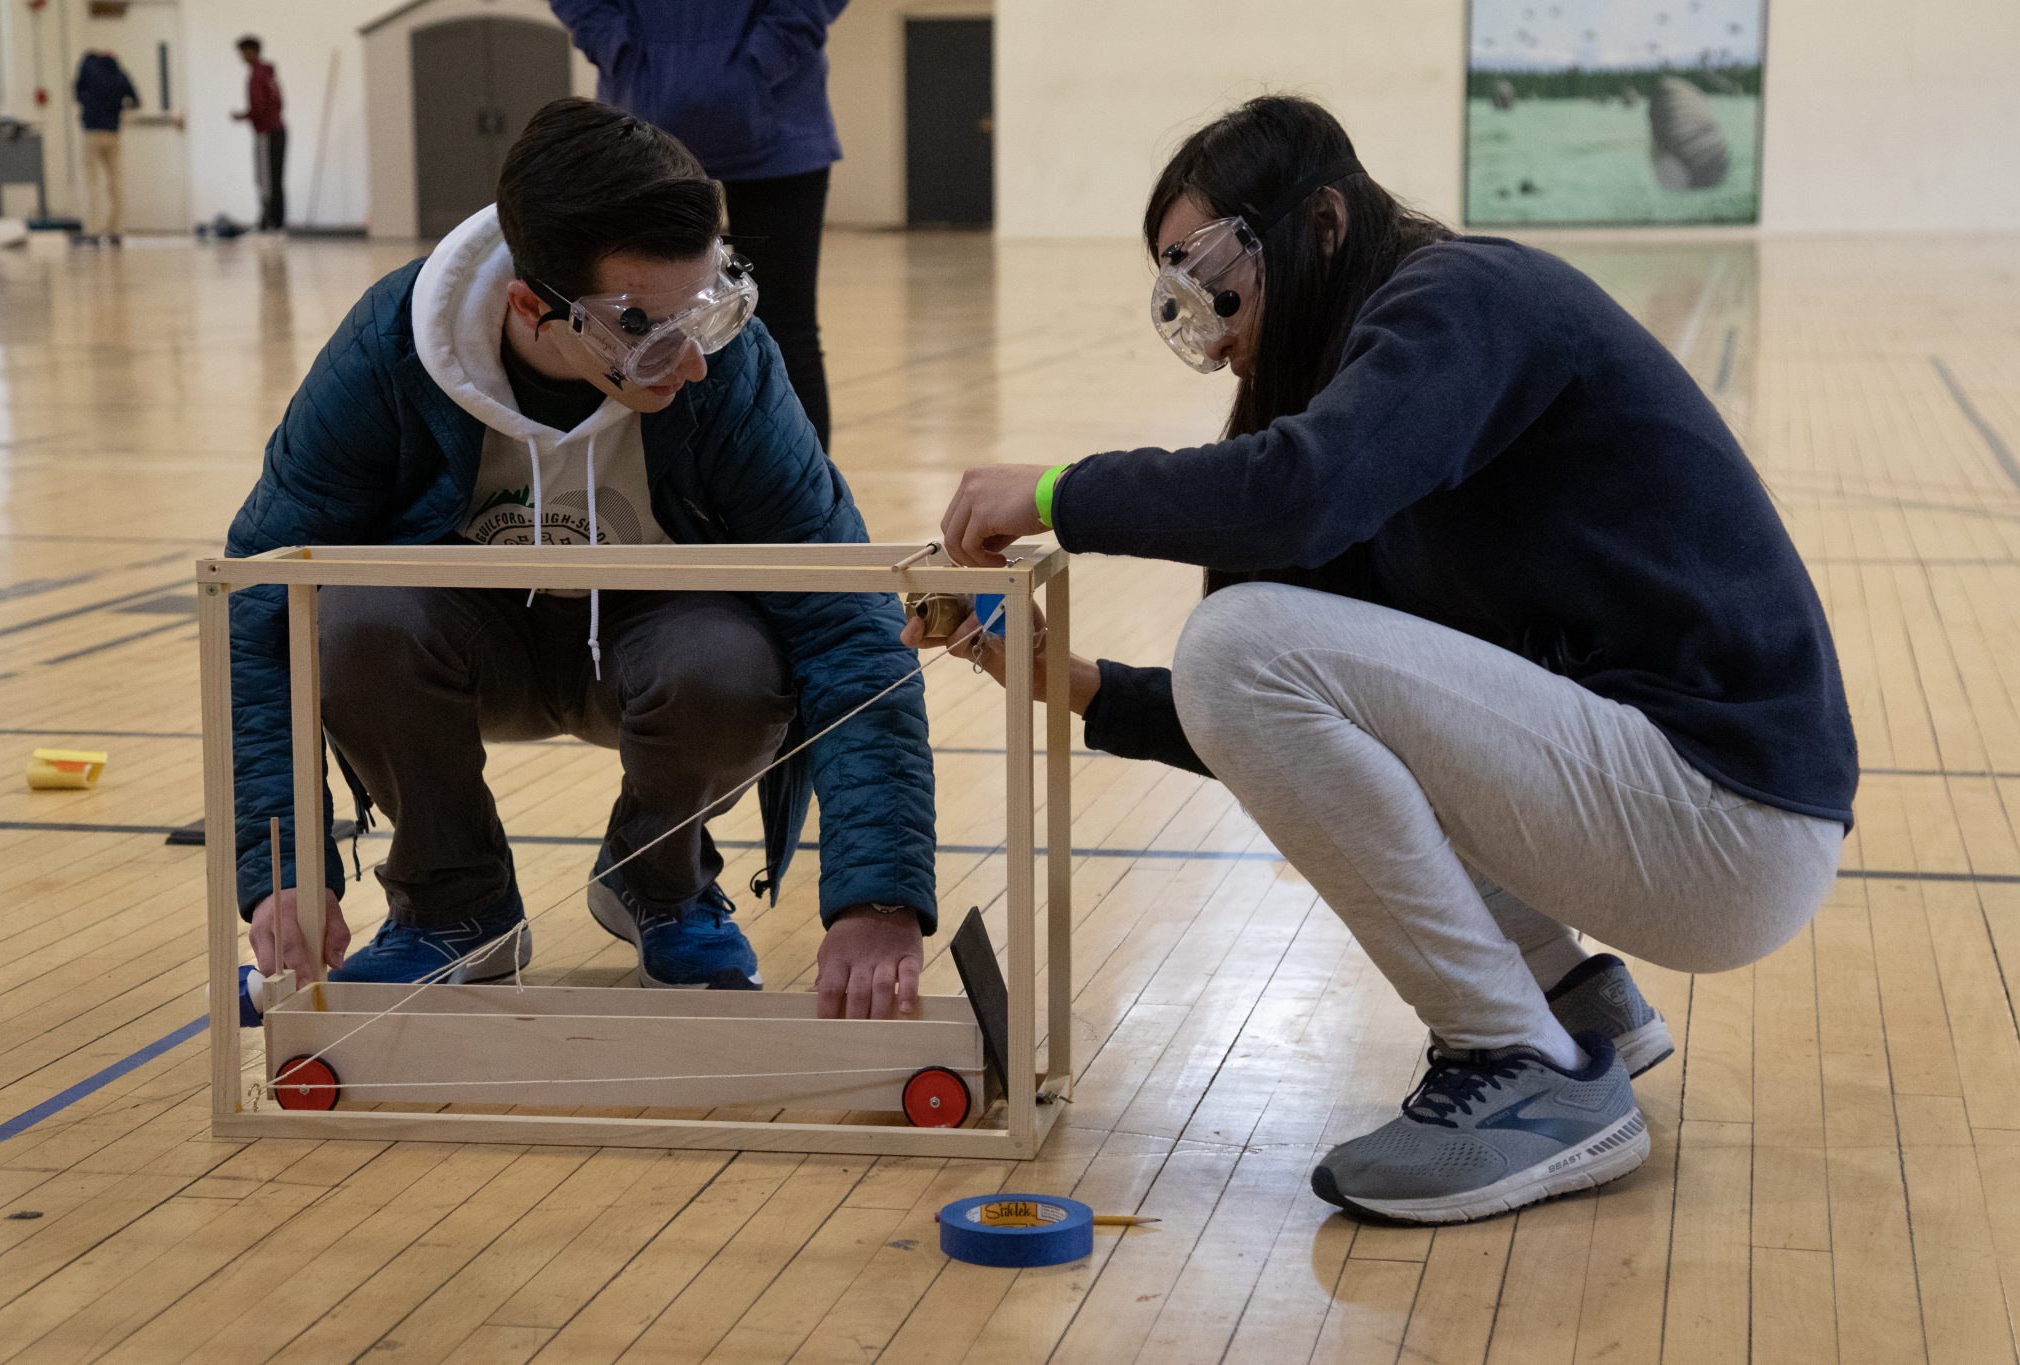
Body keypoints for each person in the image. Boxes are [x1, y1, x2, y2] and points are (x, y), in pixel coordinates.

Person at [917, 95, 1856, 1223]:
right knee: (1248, 649)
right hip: (1677, 812)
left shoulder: (1463, 301)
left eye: (1217, 279)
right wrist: (1053, 678)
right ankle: (1566, 1001)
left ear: (1319, 225)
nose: (1211, 332)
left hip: (1724, 815)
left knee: (1240, 638)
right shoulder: (1366, 407)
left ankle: (1520, 1065)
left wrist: (1059, 491)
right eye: (1180, 296)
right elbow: (1269, 726)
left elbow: (1292, 511)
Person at [228, 99, 935, 1022]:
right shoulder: (389, 352)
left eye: (710, 309)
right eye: (645, 331)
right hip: (458, 642)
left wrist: (878, 897)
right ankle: (453, 904)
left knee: (735, 664)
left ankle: (662, 880)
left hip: (662, 642)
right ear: (532, 304)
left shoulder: (732, 373)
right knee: (347, 612)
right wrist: (282, 868)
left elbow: (847, 614)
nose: (691, 366)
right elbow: (258, 598)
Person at [550, 1, 847, 452]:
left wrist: (761, 60)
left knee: (789, 329)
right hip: (642, 123)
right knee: (634, 328)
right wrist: (621, 50)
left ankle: (806, 499)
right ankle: (661, 495)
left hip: (779, 123)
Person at [73, 49, 139, 246]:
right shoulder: (118, 73)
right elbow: (135, 100)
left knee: (90, 183)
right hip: (113, 132)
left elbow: (76, 93)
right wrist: (116, 108)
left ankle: (92, 231)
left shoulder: (86, 68)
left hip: (91, 132)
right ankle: (116, 230)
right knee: (116, 182)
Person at [231, 35, 286, 231]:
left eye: (243, 52)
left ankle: (269, 222)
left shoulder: (257, 75)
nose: (241, 56)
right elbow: (279, 102)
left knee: (265, 178)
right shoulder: (268, 73)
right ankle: (275, 221)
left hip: (267, 132)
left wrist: (243, 116)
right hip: (277, 129)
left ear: (251, 51)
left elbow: (260, 107)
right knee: (274, 178)